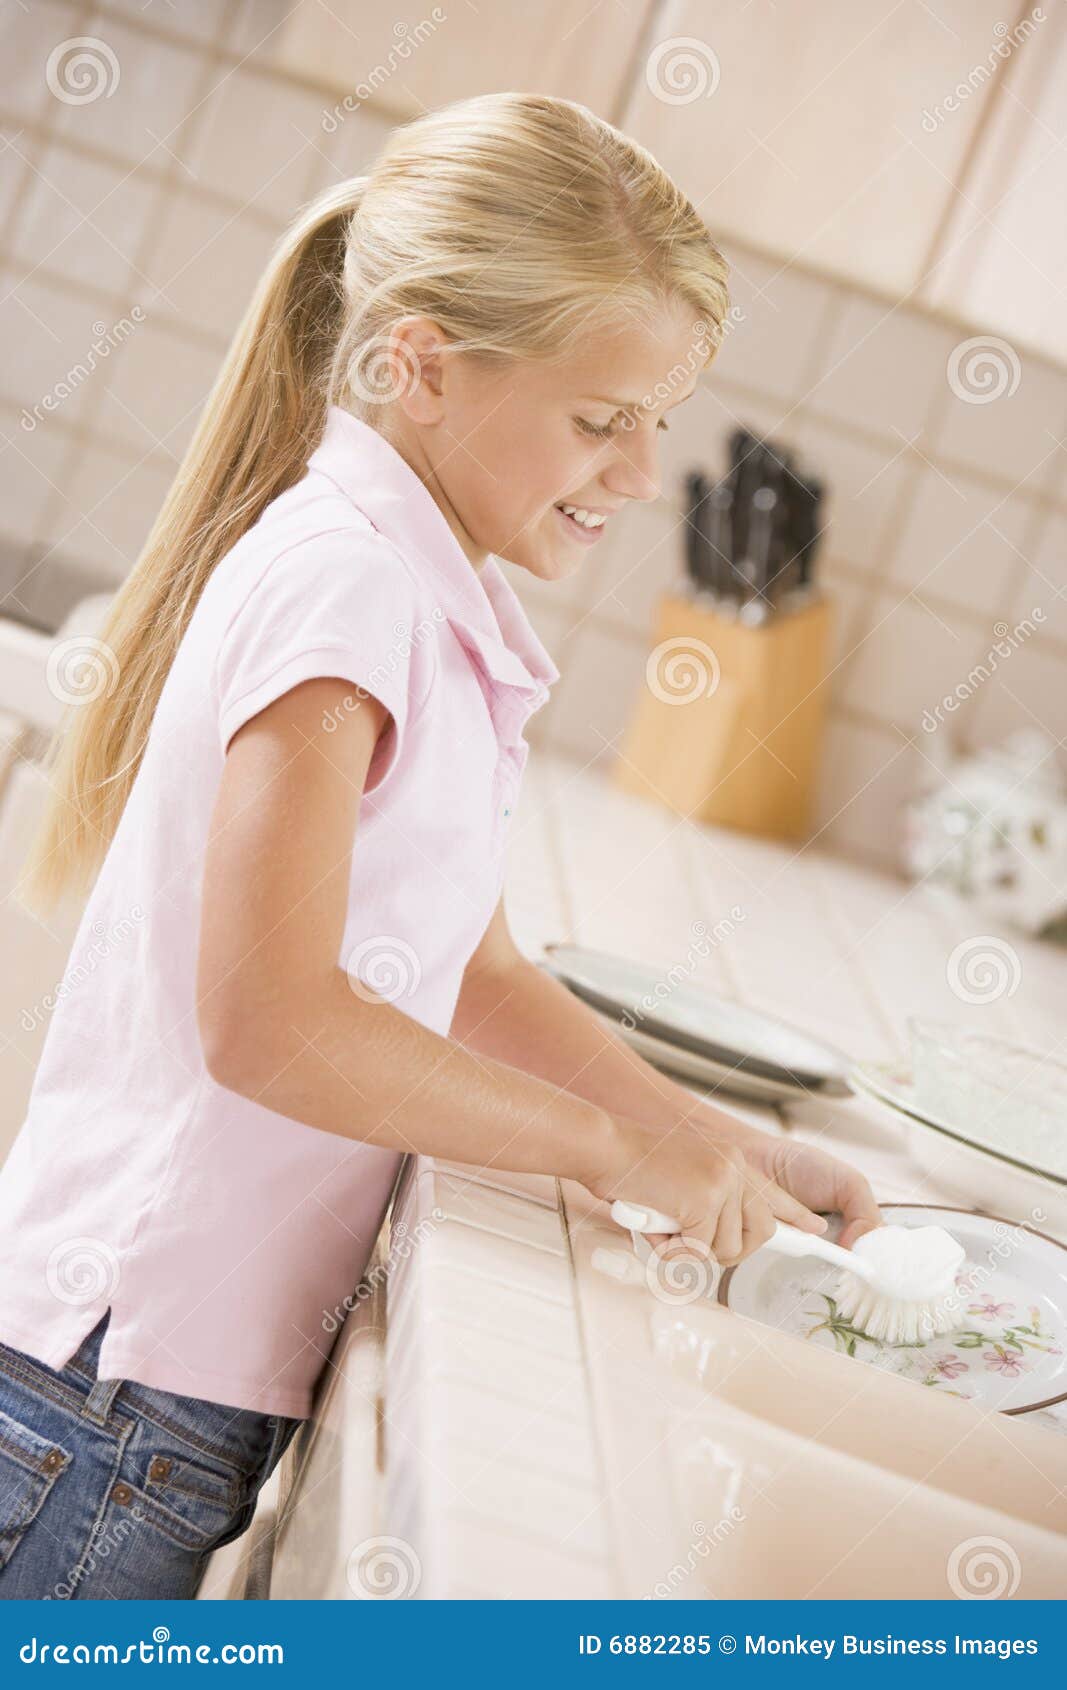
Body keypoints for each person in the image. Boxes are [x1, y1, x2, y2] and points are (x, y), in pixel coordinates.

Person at [0, 92, 879, 1599]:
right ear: (420, 363)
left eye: (654, 424)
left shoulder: (419, 587)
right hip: (106, 1391)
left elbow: (471, 974)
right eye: (598, 420)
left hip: (139, 1394)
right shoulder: (349, 585)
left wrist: (715, 1143)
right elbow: (269, 1021)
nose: (637, 474)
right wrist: (614, 1148)